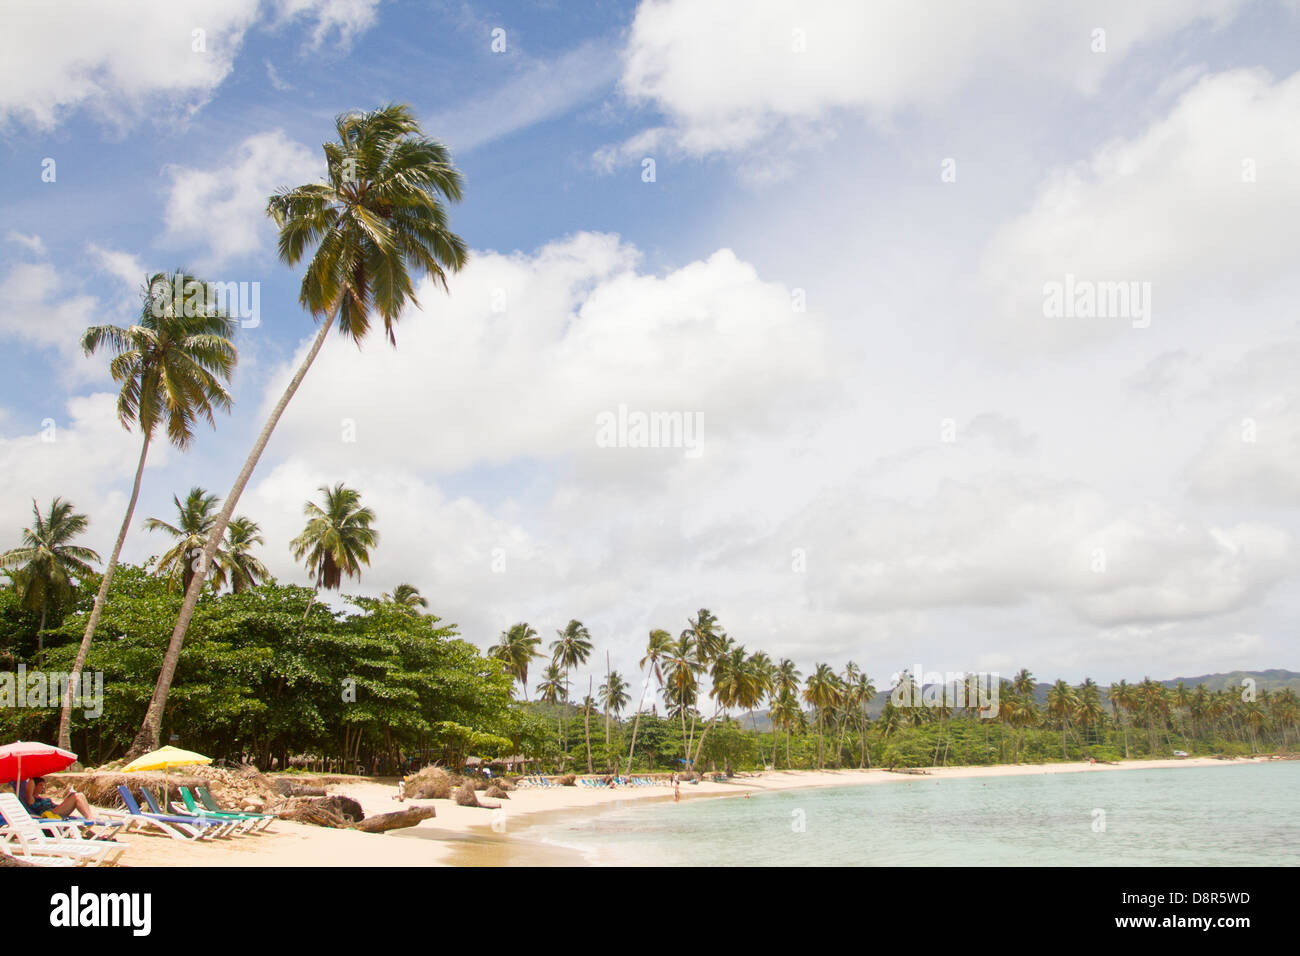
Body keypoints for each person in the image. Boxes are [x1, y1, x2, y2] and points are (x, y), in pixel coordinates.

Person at [17, 777, 94, 819]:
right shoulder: (31, 799)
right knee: (76, 796)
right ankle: (90, 819)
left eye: (44, 785)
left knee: (80, 795)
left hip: (55, 811)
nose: (43, 787)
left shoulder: (41, 797)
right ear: (34, 786)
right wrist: (32, 778)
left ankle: (90, 817)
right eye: (40, 785)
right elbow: (30, 786)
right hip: (49, 815)